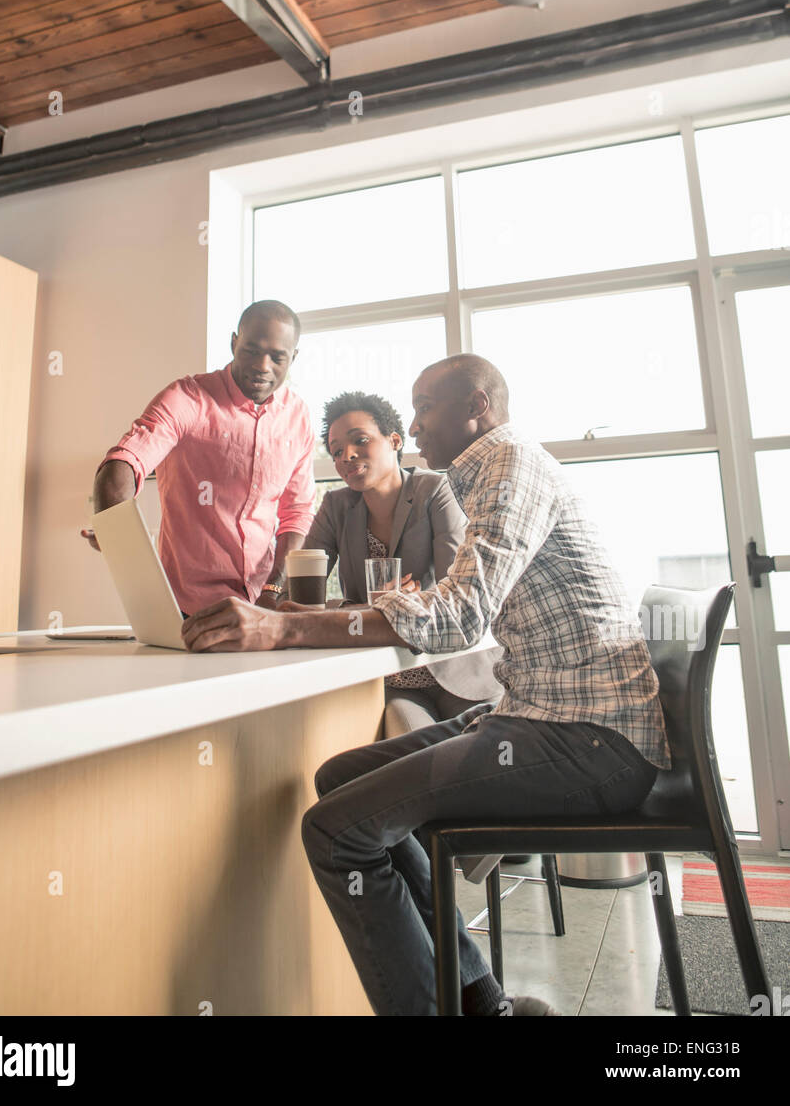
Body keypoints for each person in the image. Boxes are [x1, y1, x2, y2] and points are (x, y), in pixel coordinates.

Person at [180, 354, 671, 1017]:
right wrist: (322, 616)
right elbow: (446, 603)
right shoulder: (482, 475)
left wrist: (285, 630)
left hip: (585, 741)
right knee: (340, 782)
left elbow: (459, 617)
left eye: (423, 408)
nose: (412, 427)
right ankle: (479, 1001)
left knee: (335, 830)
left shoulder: (507, 468)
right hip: (537, 715)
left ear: (478, 405)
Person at [83, 300, 315, 615]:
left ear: (294, 357)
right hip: (186, 609)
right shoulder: (189, 397)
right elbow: (127, 459)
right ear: (234, 343)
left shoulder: (297, 416)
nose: (263, 365)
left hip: (264, 606)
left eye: (277, 357)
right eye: (251, 350)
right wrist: (115, 529)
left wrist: (274, 589)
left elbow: (297, 513)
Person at [302, 389, 502, 735]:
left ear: (394, 440)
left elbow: (453, 591)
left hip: (455, 668)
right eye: (336, 451)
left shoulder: (435, 490)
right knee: (413, 746)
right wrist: (366, 605)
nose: (346, 456)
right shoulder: (335, 507)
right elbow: (304, 598)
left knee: (479, 748)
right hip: (391, 676)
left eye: (360, 441)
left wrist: (408, 600)